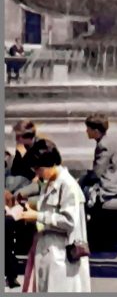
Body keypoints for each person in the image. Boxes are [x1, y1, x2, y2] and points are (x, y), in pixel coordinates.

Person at [12, 138, 91, 293]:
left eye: (38, 169)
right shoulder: (50, 182)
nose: (37, 173)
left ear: (49, 164)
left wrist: (38, 216)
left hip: (62, 258)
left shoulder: (68, 186)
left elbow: (69, 221)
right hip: (49, 254)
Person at [6, 121, 38, 289]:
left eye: (18, 137)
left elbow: (38, 181)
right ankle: (10, 272)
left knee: (8, 222)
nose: (16, 140)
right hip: (13, 194)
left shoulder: (40, 150)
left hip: (27, 196)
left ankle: (11, 273)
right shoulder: (19, 152)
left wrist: (19, 195)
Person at [79, 115, 117, 213]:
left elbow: (97, 173)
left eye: (88, 129)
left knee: (82, 193)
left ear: (96, 131)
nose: (86, 131)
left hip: (110, 188)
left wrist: (82, 179)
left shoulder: (103, 145)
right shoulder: (111, 141)